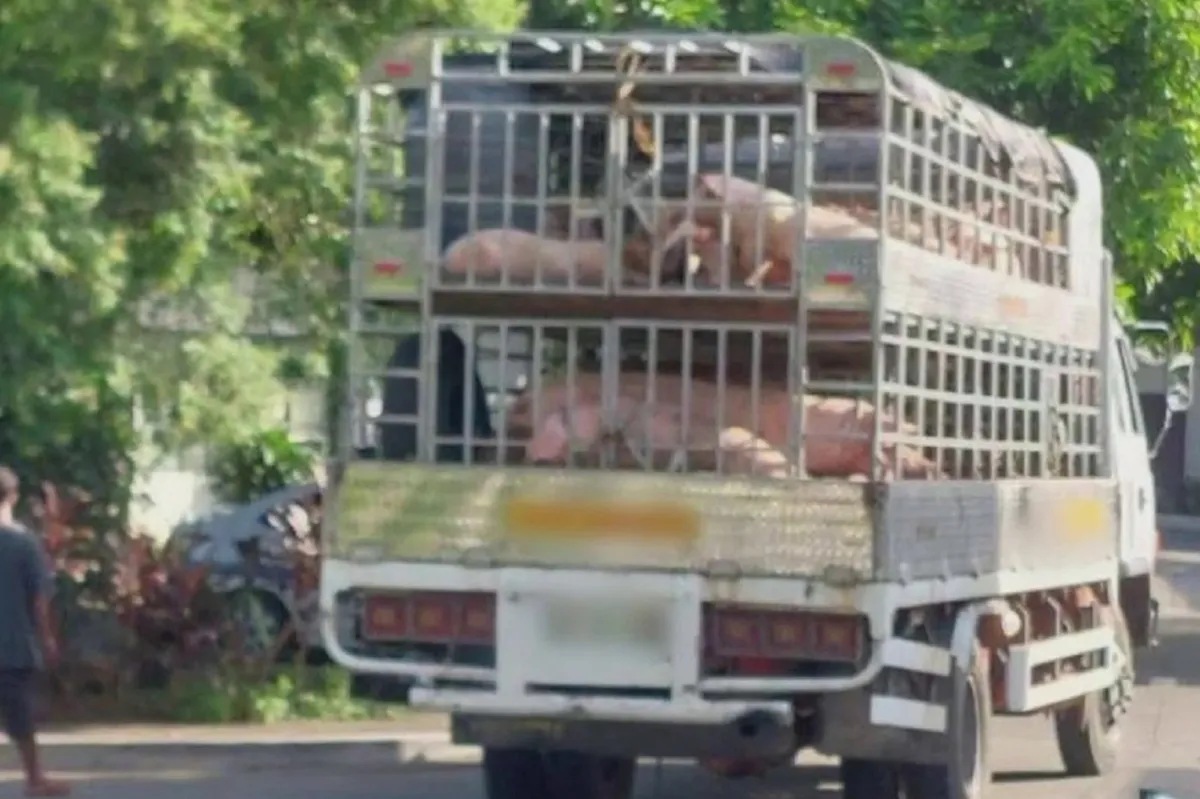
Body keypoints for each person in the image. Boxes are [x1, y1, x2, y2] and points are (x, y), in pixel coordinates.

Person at [0, 465, 70, 796]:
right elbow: (40, 600)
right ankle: (34, 778)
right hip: (12, 645)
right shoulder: (25, 544)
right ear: (12, 496)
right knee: (20, 717)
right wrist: (48, 639)